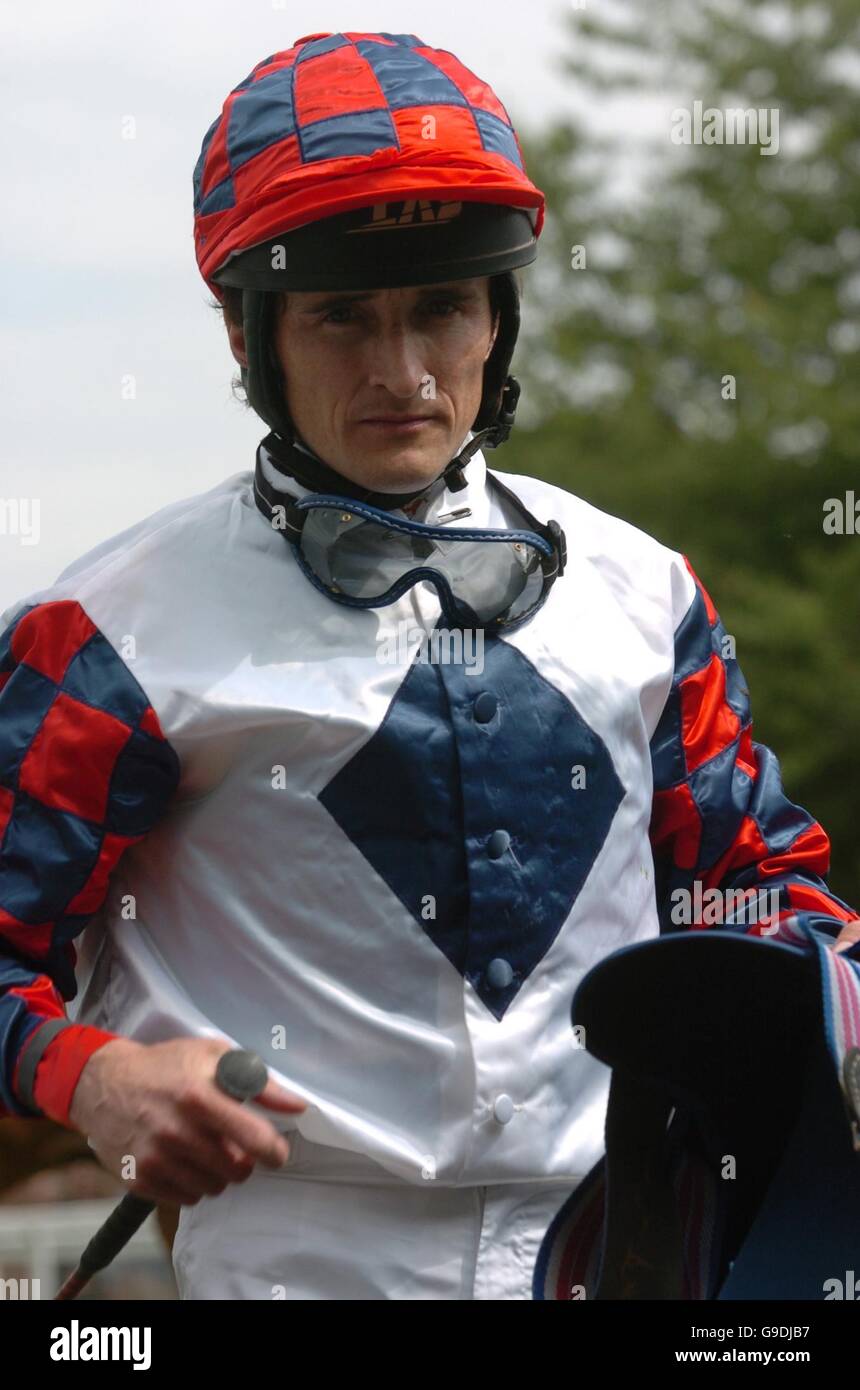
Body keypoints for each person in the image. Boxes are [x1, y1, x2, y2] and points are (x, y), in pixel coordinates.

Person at [0, 30, 857, 1301]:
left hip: (630, 1247)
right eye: (342, 316)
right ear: (250, 335)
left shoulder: (646, 591)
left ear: (496, 315)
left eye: (440, 309)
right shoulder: (103, 632)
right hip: (299, 1260)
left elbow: (761, 891)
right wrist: (96, 1077)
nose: (402, 374)